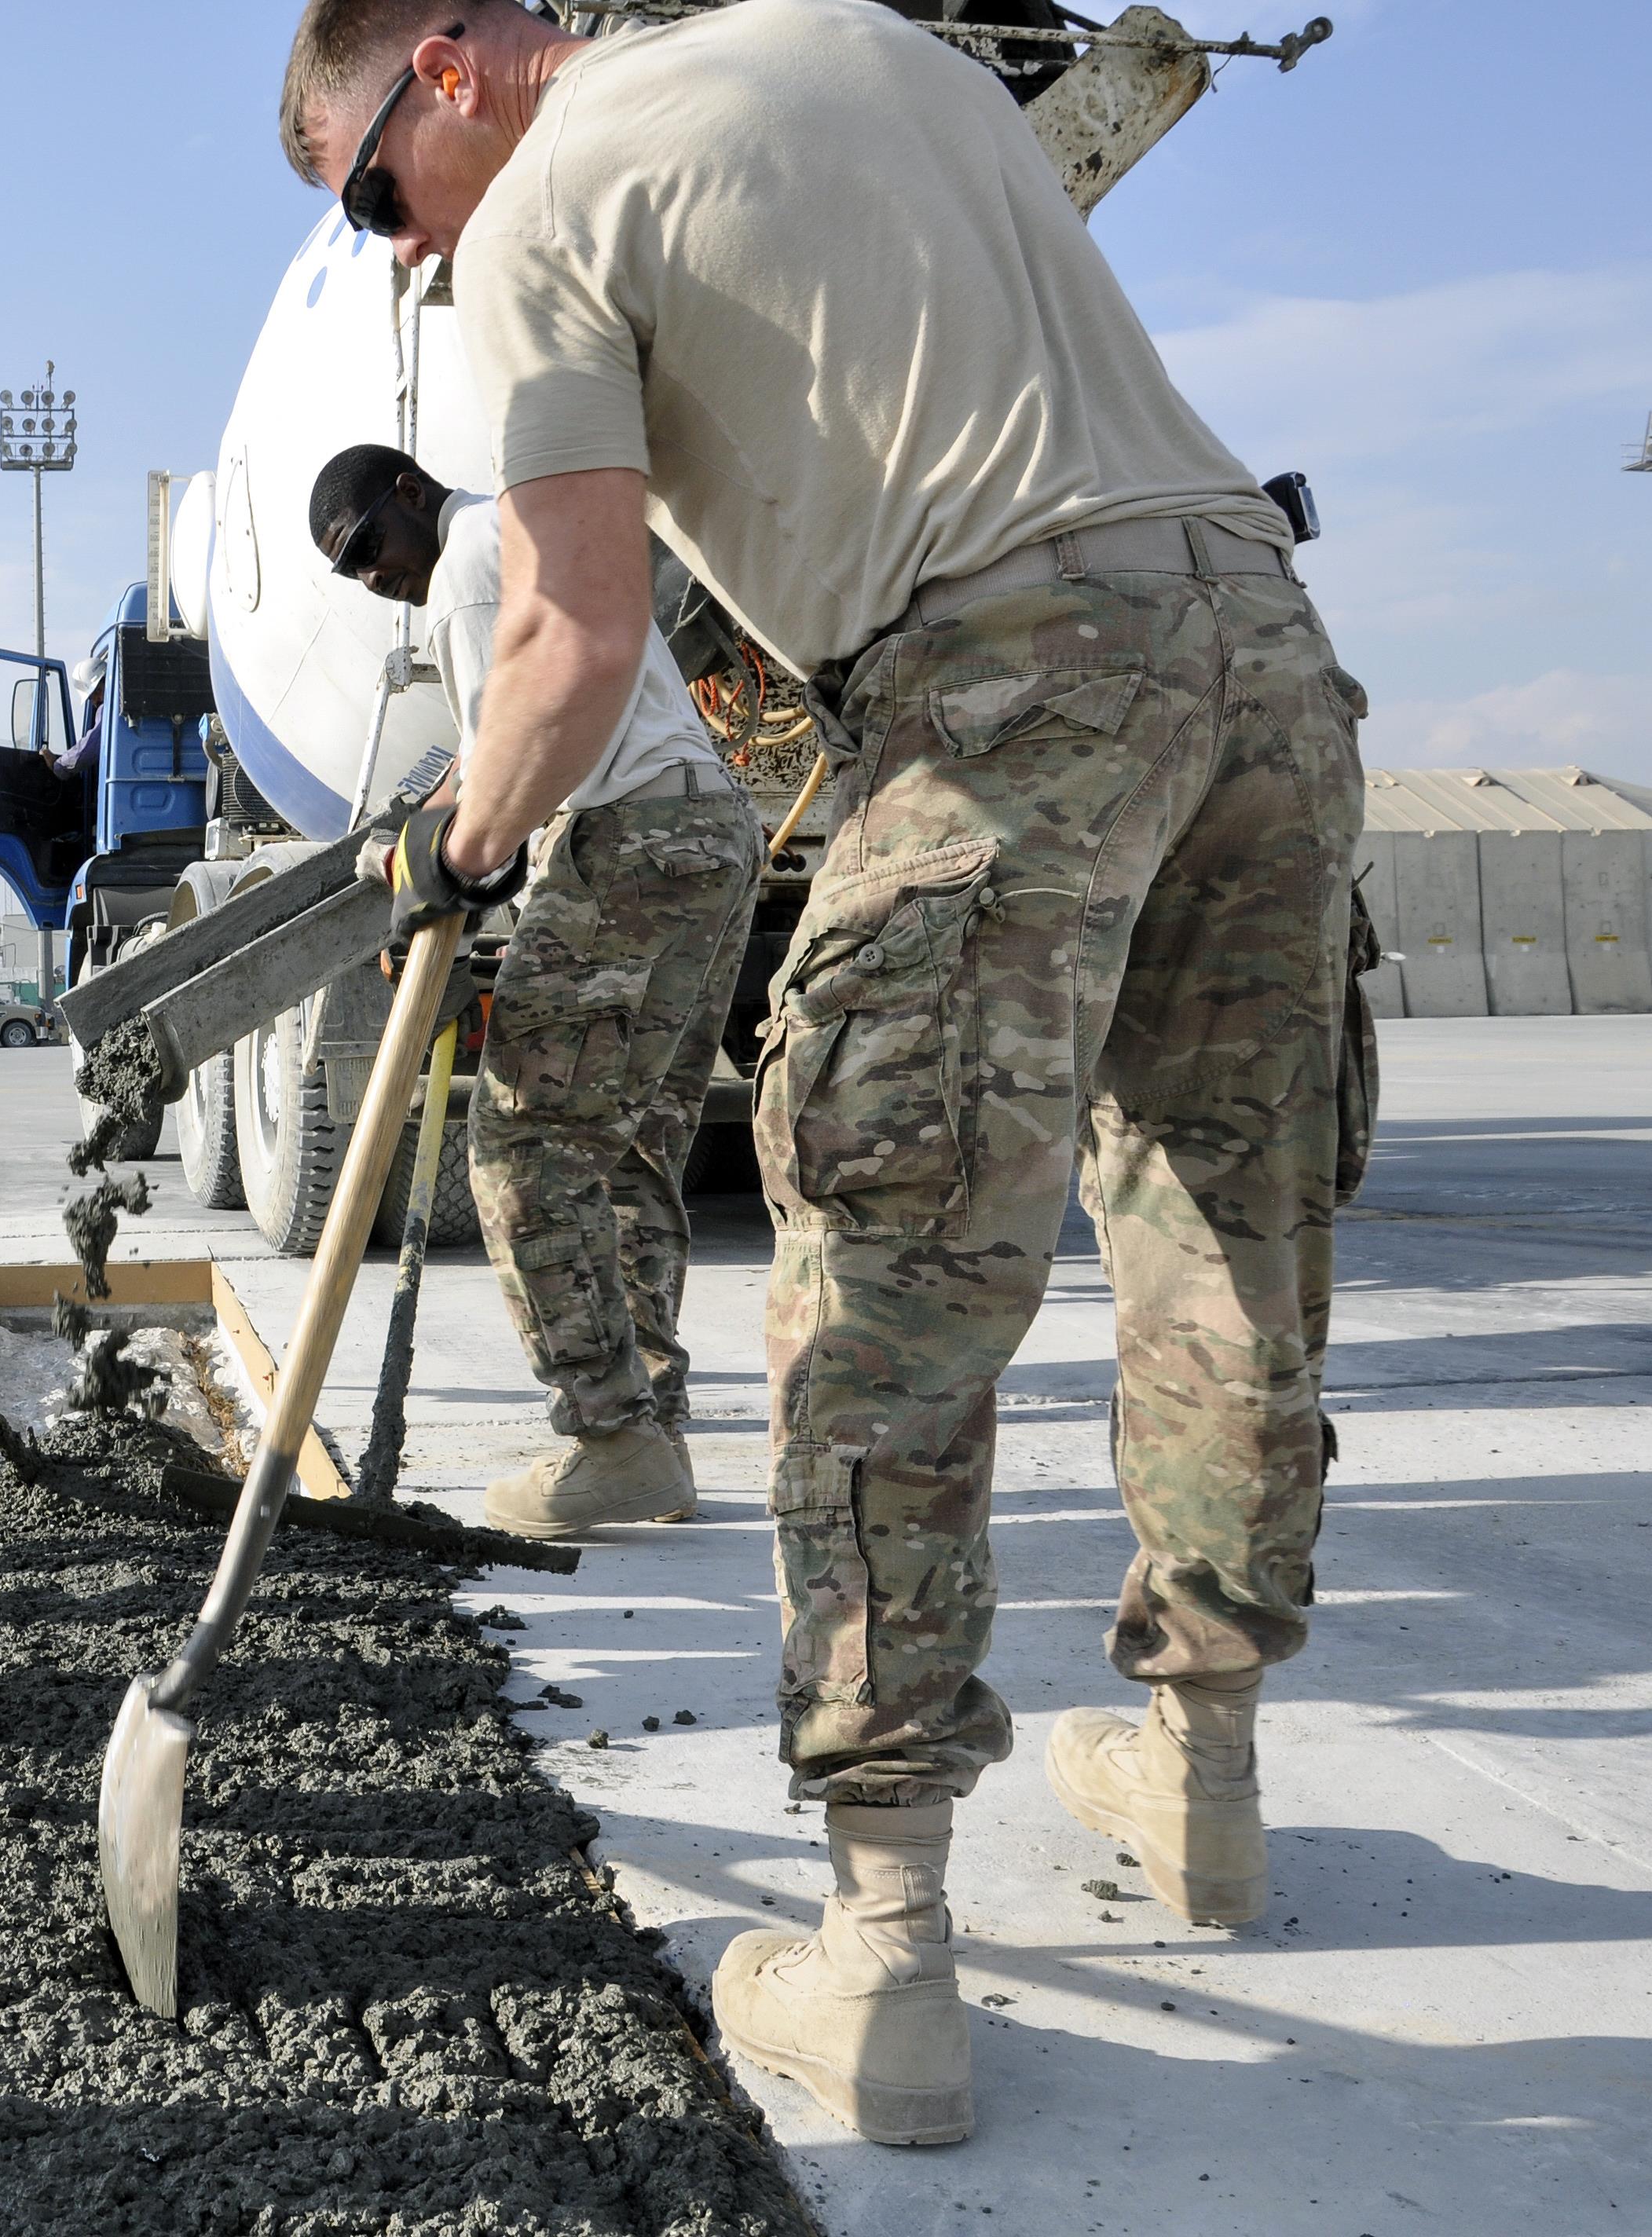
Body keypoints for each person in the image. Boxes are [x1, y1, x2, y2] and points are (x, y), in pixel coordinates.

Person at [282, 0, 1363, 2147]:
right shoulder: (872, 44)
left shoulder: (545, 211)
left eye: (368, 188)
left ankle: (886, 1966)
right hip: (1258, 633)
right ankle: (1207, 1788)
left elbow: (570, 642)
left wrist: (455, 840)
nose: (398, 253)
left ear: (457, 62)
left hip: (1013, 669)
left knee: (885, 1277)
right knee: (1227, 1232)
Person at [309, 441, 759, 1536]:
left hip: (632, 835)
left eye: (369, 545)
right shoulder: (520, 538)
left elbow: (508, 760)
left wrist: (444, 868)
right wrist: (424, 851)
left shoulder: (463, 560)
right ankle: (653, 1425)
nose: (372, 578)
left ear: (413, 492)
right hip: (710, 825)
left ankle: (612, 1439)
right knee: (631, 1143)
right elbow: (493, 754)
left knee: (522, 1148)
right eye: (349, 572)